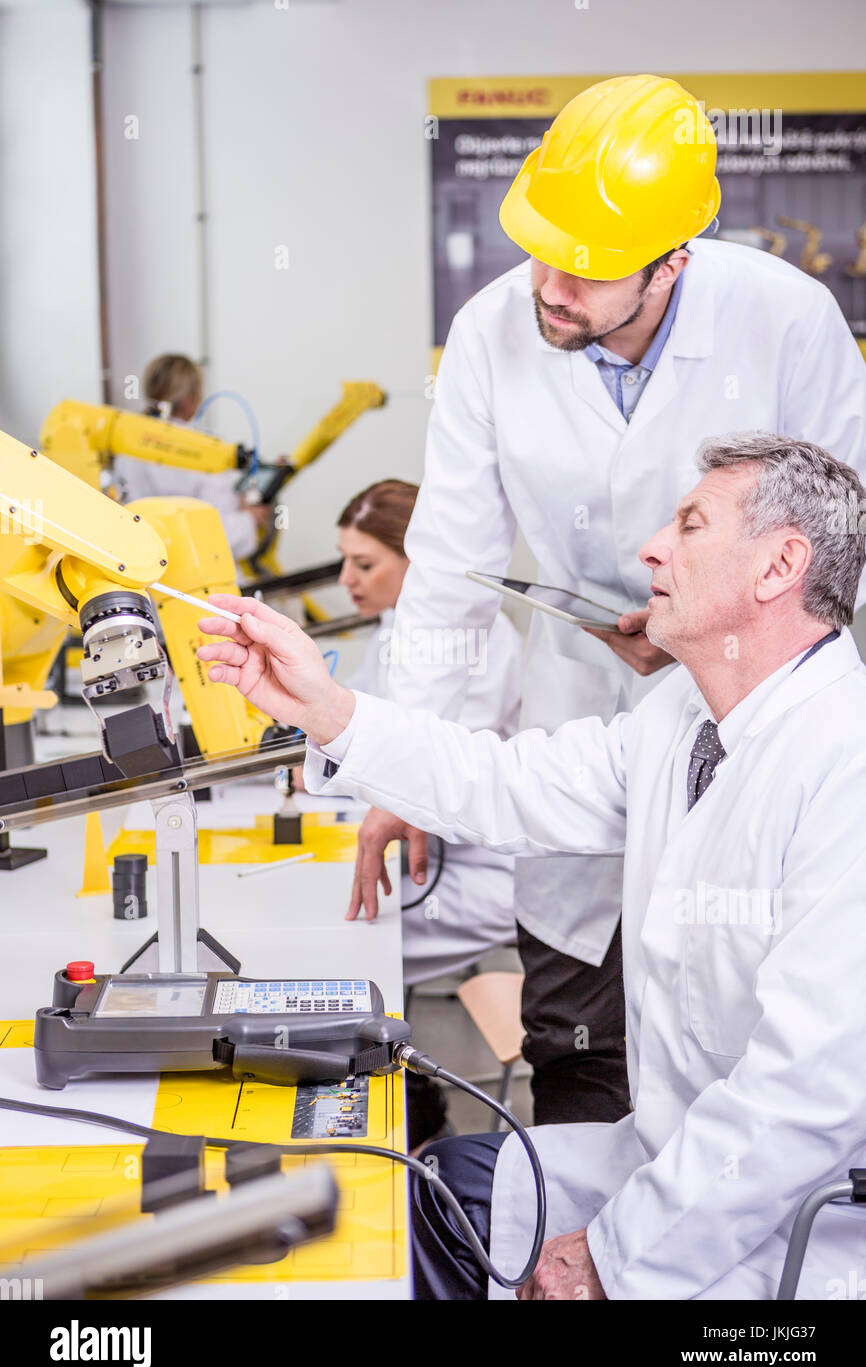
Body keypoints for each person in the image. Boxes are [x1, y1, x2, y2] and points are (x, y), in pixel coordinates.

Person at [197, 431, 866, 1301]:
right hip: (669, 1164)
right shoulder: (682, 720)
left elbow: (801, 1099)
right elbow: (504, 782)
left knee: (426, 1223)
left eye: (690, 525)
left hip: (792, 1227)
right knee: (421, 1189)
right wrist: (329, 712)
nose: (651, 548)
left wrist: (611, 1258)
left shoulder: (843, 763)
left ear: (779, 565)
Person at [344, 74, 866, 1128]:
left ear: (673, 258)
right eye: (540, 248)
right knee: (576, 1051)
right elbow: (445, 568)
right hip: (581, 713)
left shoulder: (786, 320)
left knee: (758, 1061)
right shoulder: (492, 330)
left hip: (752, 739)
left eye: (585, 270)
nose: (549, 286)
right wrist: (408, 765)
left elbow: (836, 554)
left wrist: (701, 652)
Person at [330, 479, 523, 984]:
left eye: (365, 564)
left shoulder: (486, 640)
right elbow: (357, 724)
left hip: (479, 873)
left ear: (416, 560)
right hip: (423, 856)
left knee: (338, 942)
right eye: (345, 560)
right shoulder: (394, 628)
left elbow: (437, 773)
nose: (346, 579)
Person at [113, 353, 269, 561]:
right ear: (189, 400)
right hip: (195, 575)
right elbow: (218, 535)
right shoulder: (206, 449)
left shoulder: (126, 445)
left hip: (143, 570)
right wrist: (250, 519)